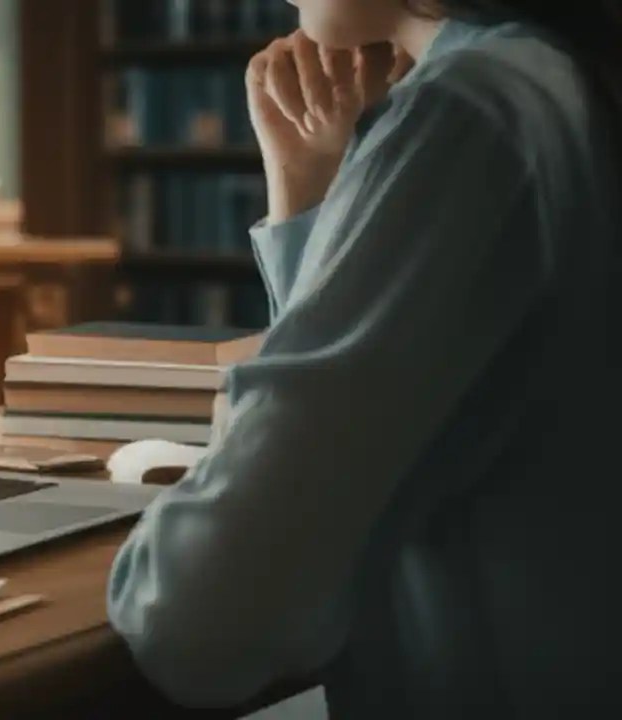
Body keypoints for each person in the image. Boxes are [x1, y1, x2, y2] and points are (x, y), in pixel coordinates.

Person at [105, 1, 621, 717]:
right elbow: (377, 437)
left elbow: (200, 619)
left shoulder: (475, 111)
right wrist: (308, 190)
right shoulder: (551, 81)